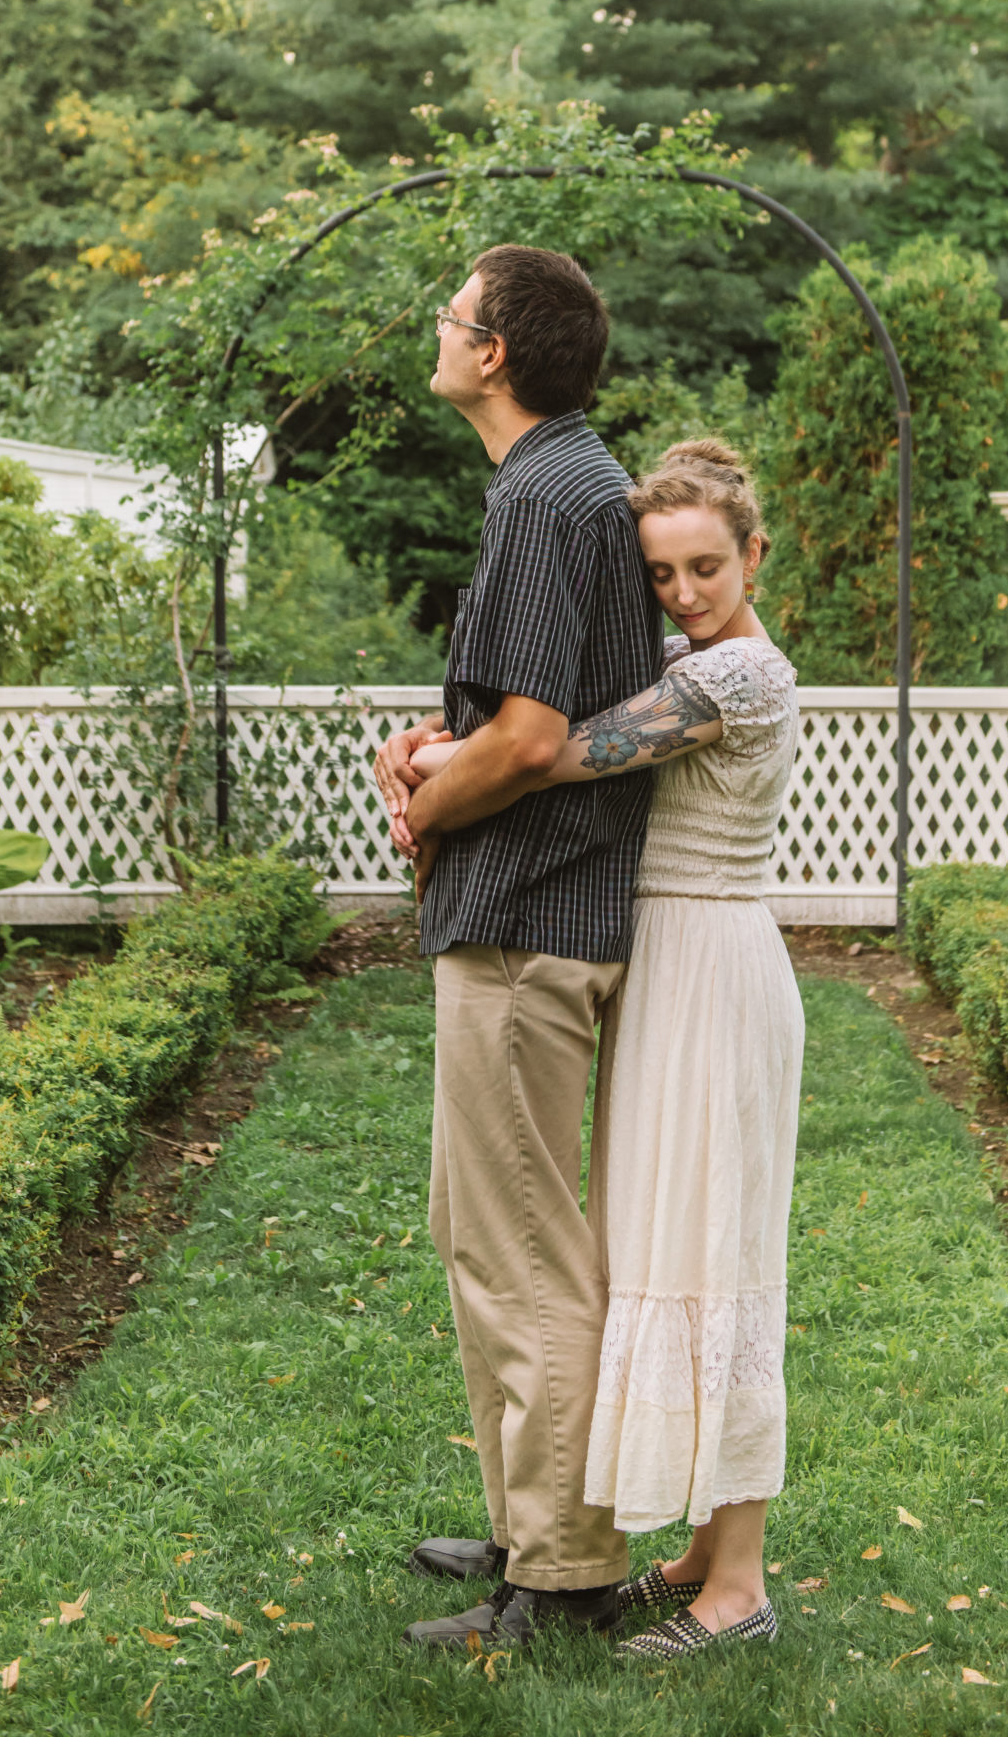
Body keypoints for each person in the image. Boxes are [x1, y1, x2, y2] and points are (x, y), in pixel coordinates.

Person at [405, 439, 804, 1662]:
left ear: (753, 554)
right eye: (659, 575)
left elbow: (568, 748)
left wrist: (437, 764)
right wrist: (443, 735)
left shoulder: (736, 676)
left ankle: (738, 1584)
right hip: (662, 972)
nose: (681, 593)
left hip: (714, 976)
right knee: (658, 1260)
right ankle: (689, 1556)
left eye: (704, 567)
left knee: (717, 1266)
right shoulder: (688, 658)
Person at [372, 244, 662, 1652]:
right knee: (482, 1232)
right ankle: (522, 1522)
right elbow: (520, 716)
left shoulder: (547, 496)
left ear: (491, 353)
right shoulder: (557, 483)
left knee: (526, 1249)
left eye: (450, 315)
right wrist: (438, 748)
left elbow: (537, 738)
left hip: (529, 918)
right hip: (526, 909)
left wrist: (429, 802)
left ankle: (562, 1574)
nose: (436, 332)